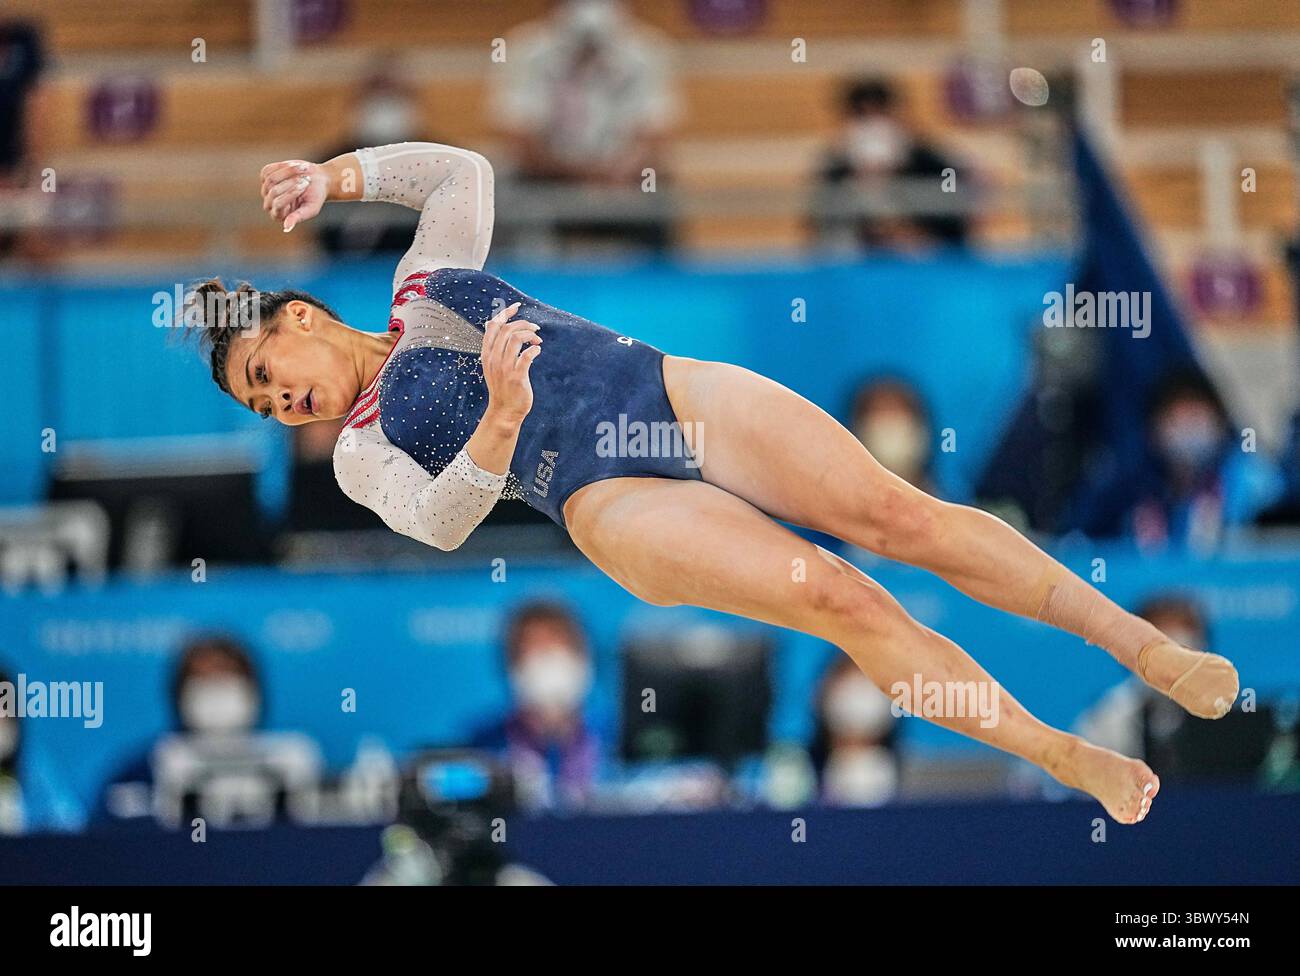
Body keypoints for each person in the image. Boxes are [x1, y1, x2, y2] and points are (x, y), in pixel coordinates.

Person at [184, 137, 1244, 826]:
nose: (286, 406)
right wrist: (500, 426)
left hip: (667, 388)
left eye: (272, 376)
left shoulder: (422, 286)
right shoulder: (366, 451)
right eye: (262, 406)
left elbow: (463, 175)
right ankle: (1055, 750)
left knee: (899, 514)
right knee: (842, 597)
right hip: (603, 496)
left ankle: (1139, 643)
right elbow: (440, 522)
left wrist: (337, 180)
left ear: (304, 319)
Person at [469, 601, 604, 811]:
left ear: (583, 656)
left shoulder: (616, 737)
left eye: (556, 645)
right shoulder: (482, 747)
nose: (547, 661)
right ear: (511, 666)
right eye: (533, 649)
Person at [811, 78, 969, 253]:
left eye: (880, 113)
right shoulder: (834, 171)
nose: (874, 127)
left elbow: (955, 227)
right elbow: (822, 233)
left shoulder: (935, 165)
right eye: (862, 116)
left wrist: (913, 233)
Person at [809, 655, 899, 807]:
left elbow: (886, 728)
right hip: (840, 758)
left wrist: (864, 741)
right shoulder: (833, 681)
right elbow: (825, 723)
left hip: (875, 759)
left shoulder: (882, 683)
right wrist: (844, 742)